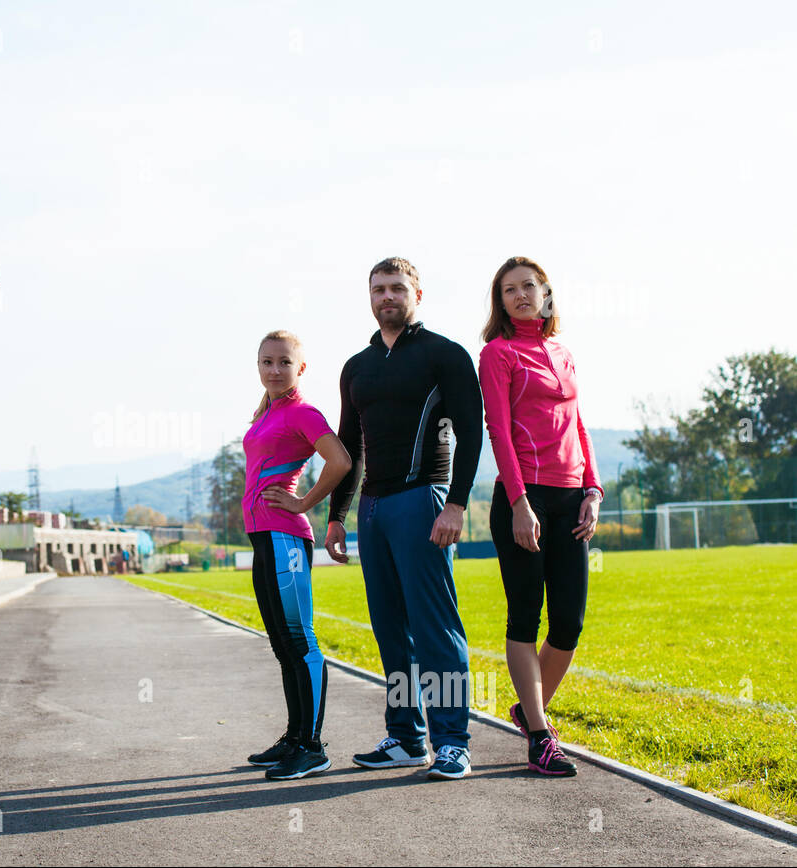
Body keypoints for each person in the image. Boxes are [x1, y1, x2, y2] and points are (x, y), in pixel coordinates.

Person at [326, 257, 483, 780]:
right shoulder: (357, 366)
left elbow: (471, 435)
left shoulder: (445, 355)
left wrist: (456, 504)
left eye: (396, 287)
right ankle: (406, 736)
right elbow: (349, 448)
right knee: (392, 631)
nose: (386, 296)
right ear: (369, 297)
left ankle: (453, 740)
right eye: (378, 289)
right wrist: (337, 516)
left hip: (425, 499)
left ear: (417, 292)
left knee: (435, 628)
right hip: (372, 509)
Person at [478, 256, 602, 777]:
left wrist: (593, 489)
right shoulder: (497, 354)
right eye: (509, 289)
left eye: (529, 286)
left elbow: (578, 425)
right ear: (500, 301)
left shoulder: (563, 352)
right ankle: (539, 735)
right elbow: (499, 432)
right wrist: (519, 501)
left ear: (546, 293)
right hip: (523, 497)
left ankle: (530, 713)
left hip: (571, 497)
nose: (521, 295)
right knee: (526, 615)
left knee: (569, 620)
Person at [243, 330, 351, 781]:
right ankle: (293, 737)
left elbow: (340, 460)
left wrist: (306, 503)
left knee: (300, 639)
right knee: (282, 643)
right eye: (266, 361)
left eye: (283, 362)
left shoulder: (303, 412)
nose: (274, 369)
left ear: (300, 368)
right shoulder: (269, 411)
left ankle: (312, 748)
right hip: (263, 537)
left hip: (286, 536)